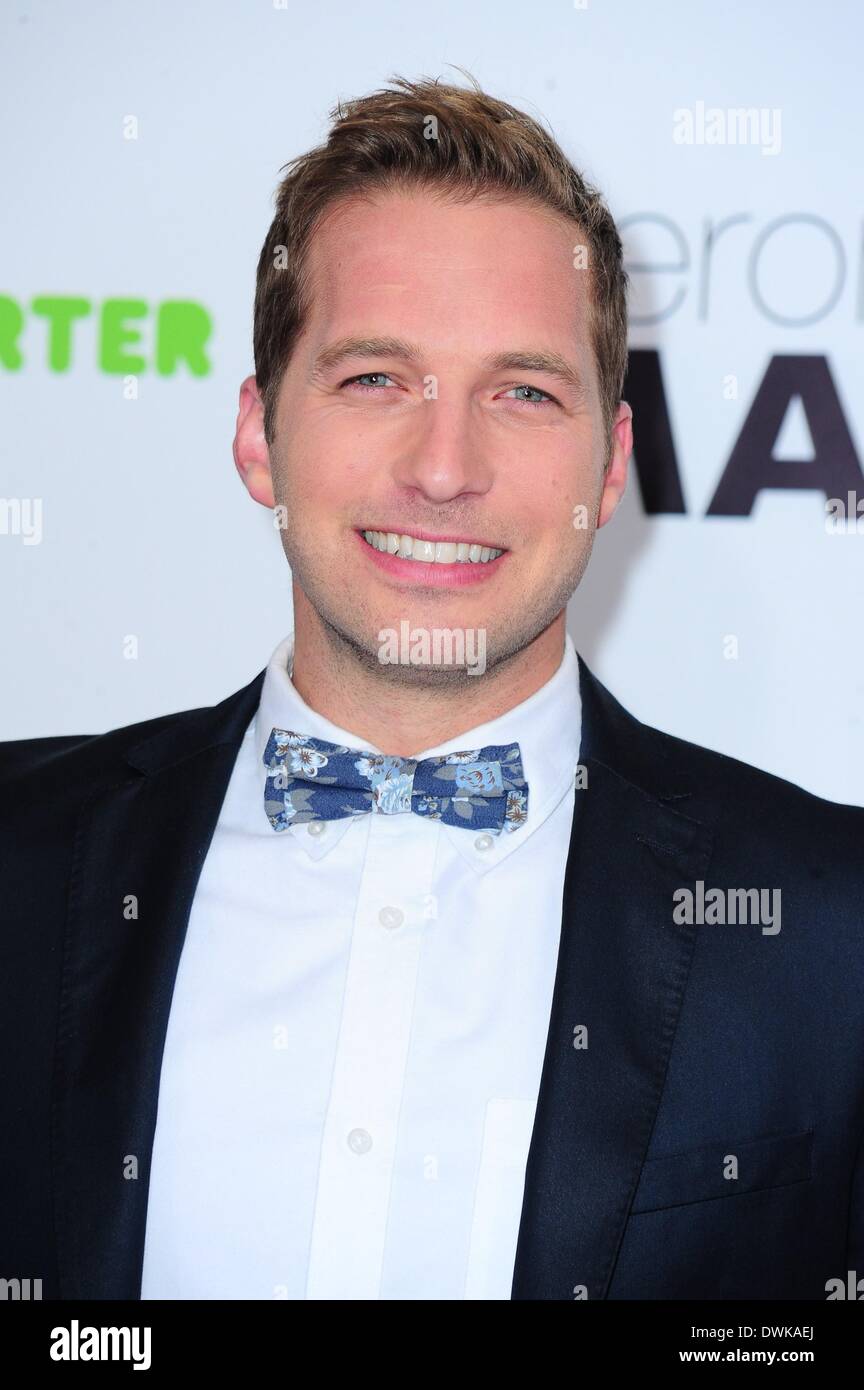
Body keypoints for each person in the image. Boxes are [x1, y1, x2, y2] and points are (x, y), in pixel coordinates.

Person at [2, 73, 862, 1303]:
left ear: (612, 461)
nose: (445, 468)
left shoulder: (828, 928)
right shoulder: (23, 855)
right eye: (374, 378)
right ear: (260, 435)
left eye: (523, 391)